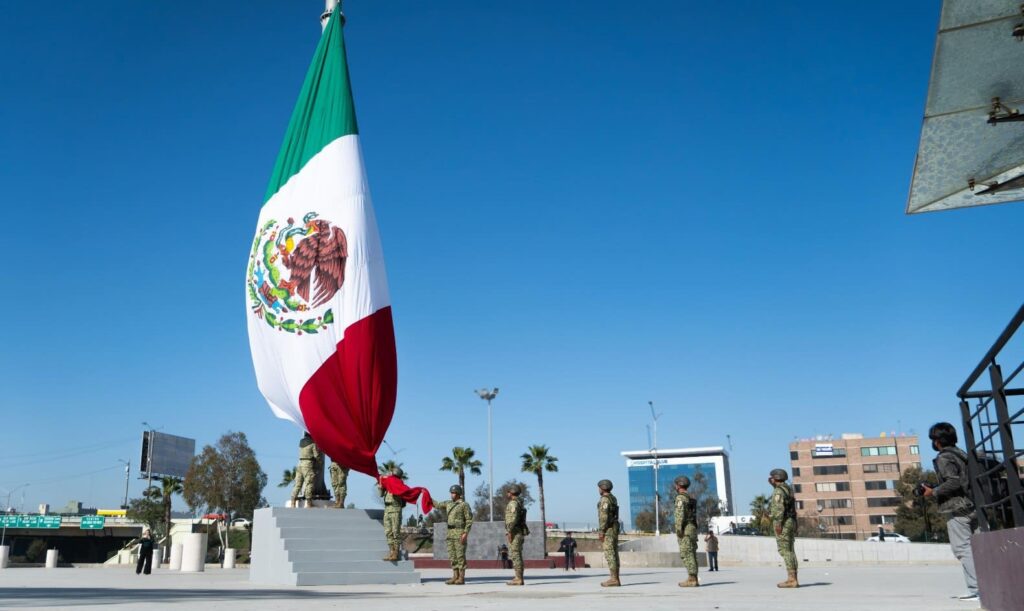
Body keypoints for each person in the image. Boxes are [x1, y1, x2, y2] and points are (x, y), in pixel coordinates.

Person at [921, 422, 979, 602]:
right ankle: (984, 586)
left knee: (962, 548)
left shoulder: (944, 457)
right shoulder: (961, 454)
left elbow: (954, 482)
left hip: (958, 507)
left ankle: (976, 589)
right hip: (975, 505)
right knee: (978, 548)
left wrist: (934, 491)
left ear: (937, 441)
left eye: (933, 439)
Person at [435, 484, 473, 585]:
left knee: (460, 555)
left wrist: (465, 532)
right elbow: (437, 505)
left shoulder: (464, 505)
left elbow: (469, 520)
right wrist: (427, 496)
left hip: (459, 531)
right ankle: (455, 576)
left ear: (459, 494)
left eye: (454, 493)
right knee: (452, 555)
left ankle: (461, 577)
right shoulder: (448, 503)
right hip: (450, 532)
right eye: (451, 493)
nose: (452, 495)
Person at [769, 468, 799, 588]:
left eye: (771, 477)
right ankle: (794, 578)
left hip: (784, 522)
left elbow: (779, 509)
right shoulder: (788, 489)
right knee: (791, 550)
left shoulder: (778, 491)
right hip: (791, 521)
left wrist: (778, 524)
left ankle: (791, 580)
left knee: (785, 550)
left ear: (776, 478)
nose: (770, 479)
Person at [674, 475, 699, 587]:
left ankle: (692, 579)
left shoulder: (680, 498)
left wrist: (679, 529)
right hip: (692, 527)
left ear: (679, 485)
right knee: (692, 553)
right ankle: (693, 577)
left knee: (686, 553)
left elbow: (680, 515)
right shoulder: (690, 497)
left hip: (686, 528)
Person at [378, 466, 407, 561]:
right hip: (387, 509)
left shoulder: (399, 484)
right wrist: (381, 487)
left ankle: (396, 553)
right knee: (388, 532)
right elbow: (381, 495)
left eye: (391, 472)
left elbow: (402, 495)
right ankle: (391, 552)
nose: (389, 474)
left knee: (395, 532)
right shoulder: (388, 483)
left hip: (395, 509)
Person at [504, 483, 530, 586]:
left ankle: (519, 578)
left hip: (515, 532)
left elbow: (513, 519)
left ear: (511, 492)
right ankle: (518, 577)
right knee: (516, 554)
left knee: (515, 554)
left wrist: (509, 531)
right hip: (517, 531)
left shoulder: (513, 504)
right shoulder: (519, 503)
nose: (507, 494)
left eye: (508, 492)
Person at [596, 479, 620, 587]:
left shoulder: (605, 500)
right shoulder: (613, 498)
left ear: (603, 487)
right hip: (614, 528)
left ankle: (614, 579)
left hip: (608, 529)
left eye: (599, 487)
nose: (598, 489)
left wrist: (601, 531)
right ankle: (616, 578)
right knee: (614, 553)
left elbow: (604, 516)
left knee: (610, 553)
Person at [290, 433, 320, 509]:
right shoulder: (312, 443)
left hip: (300, 464)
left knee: (297, 484)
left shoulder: (301, 442)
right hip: (308, 464)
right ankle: (309, 503)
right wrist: (319, 461)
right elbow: (316, 456)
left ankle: (293, 503)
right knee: (309, 483)